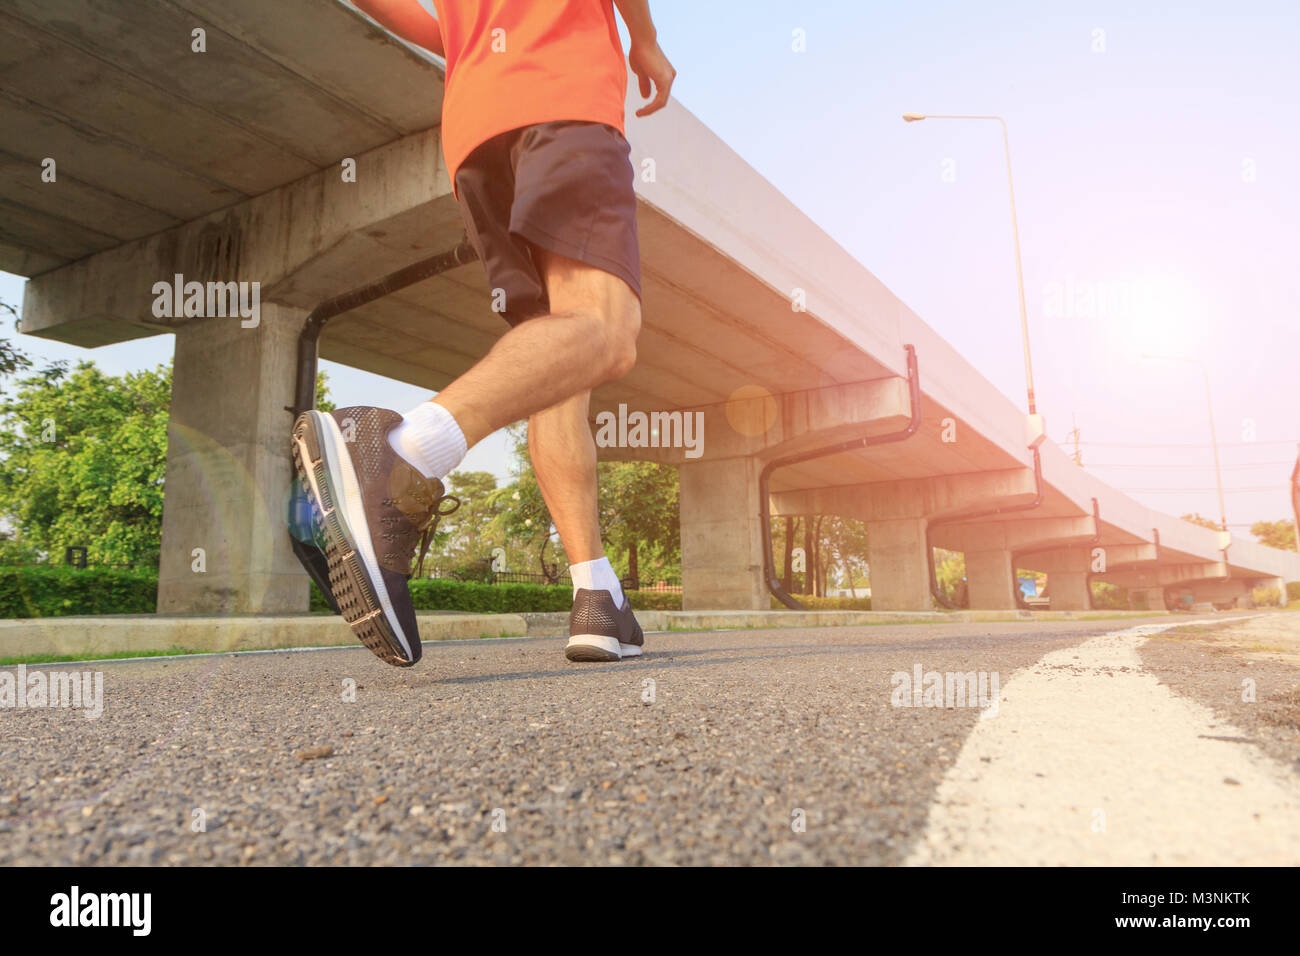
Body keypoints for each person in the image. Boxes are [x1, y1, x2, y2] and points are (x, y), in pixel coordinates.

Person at [290, 0, 675, 667]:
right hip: (564, 97)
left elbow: (419, 18)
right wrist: (646, 41)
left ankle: (596, 595)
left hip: (475, 134)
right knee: (607, 331)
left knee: (560, 367)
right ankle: (403, 456)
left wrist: (477, 44)